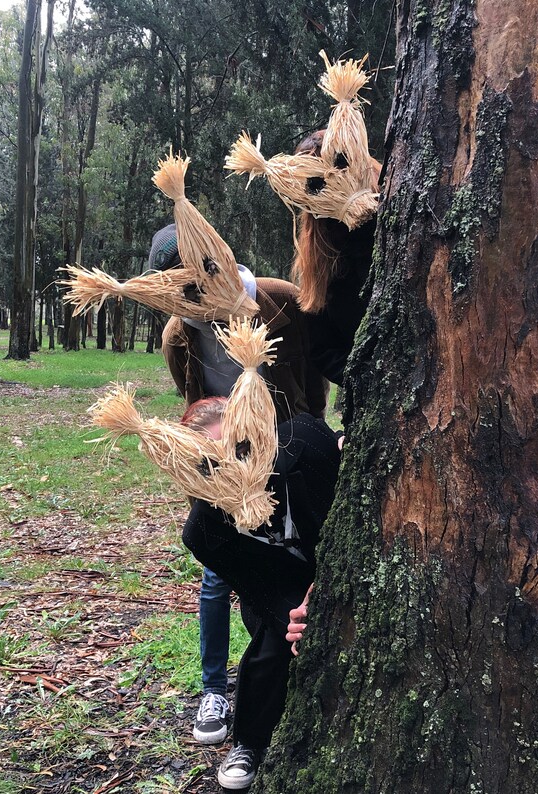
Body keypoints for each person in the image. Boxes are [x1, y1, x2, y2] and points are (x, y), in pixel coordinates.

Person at [150, 224, 328, 746]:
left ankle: (278, 671)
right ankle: (213, 689)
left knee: (287, 567)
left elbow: (313, 380)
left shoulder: (281, 302)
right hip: (224, 464)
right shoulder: (177, 335)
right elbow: (193, 394)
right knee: (219, 577)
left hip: (291, 452)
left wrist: (315, 435)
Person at [180, 398, 341, 789]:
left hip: (339, 561)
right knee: (275, 643)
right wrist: (294, 612)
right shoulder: (203, 531)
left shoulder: (307, 440)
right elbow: (257, 587)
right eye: (212, 464)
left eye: (240, 448)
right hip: (278, 585)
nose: (233, 468)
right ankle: (249, 741)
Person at [290, 130, 382, 385]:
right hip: (370, 394)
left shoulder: (397, 216)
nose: (332, 182)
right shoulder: (318, 258)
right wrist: (362, 381)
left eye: (341, 167)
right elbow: (322, 347)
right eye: (317, 182)